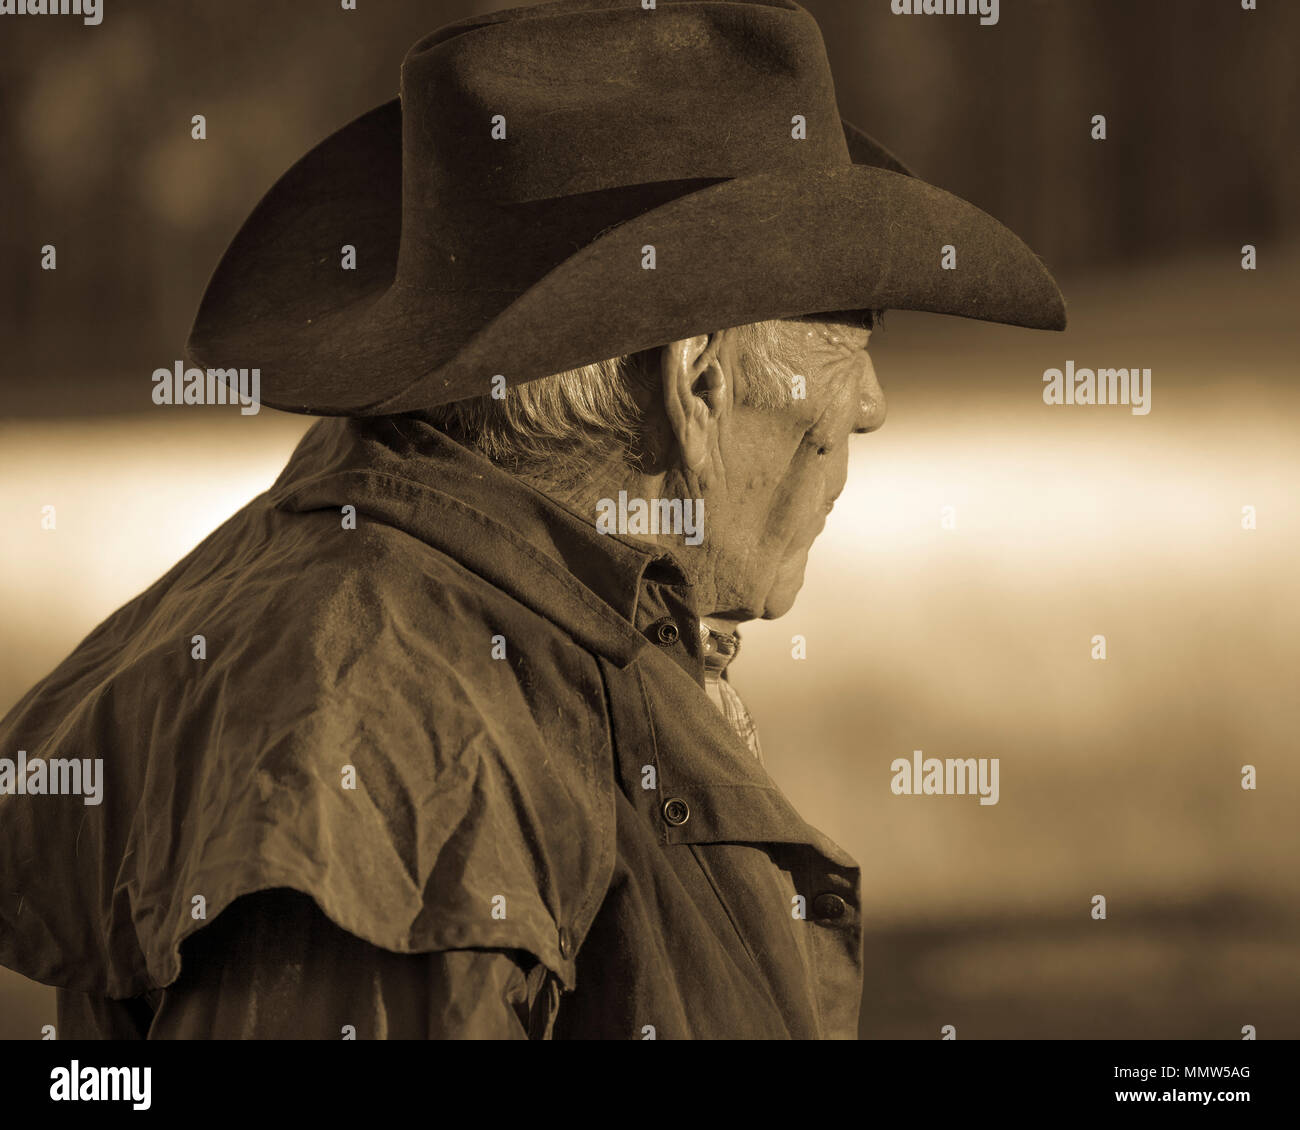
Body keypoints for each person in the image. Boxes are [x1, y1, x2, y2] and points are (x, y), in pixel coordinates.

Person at [0, 0, 1064, 1039]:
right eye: (848, 328)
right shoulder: (391, 732)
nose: (866, 405)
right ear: (695, 387)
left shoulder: (482, 620)